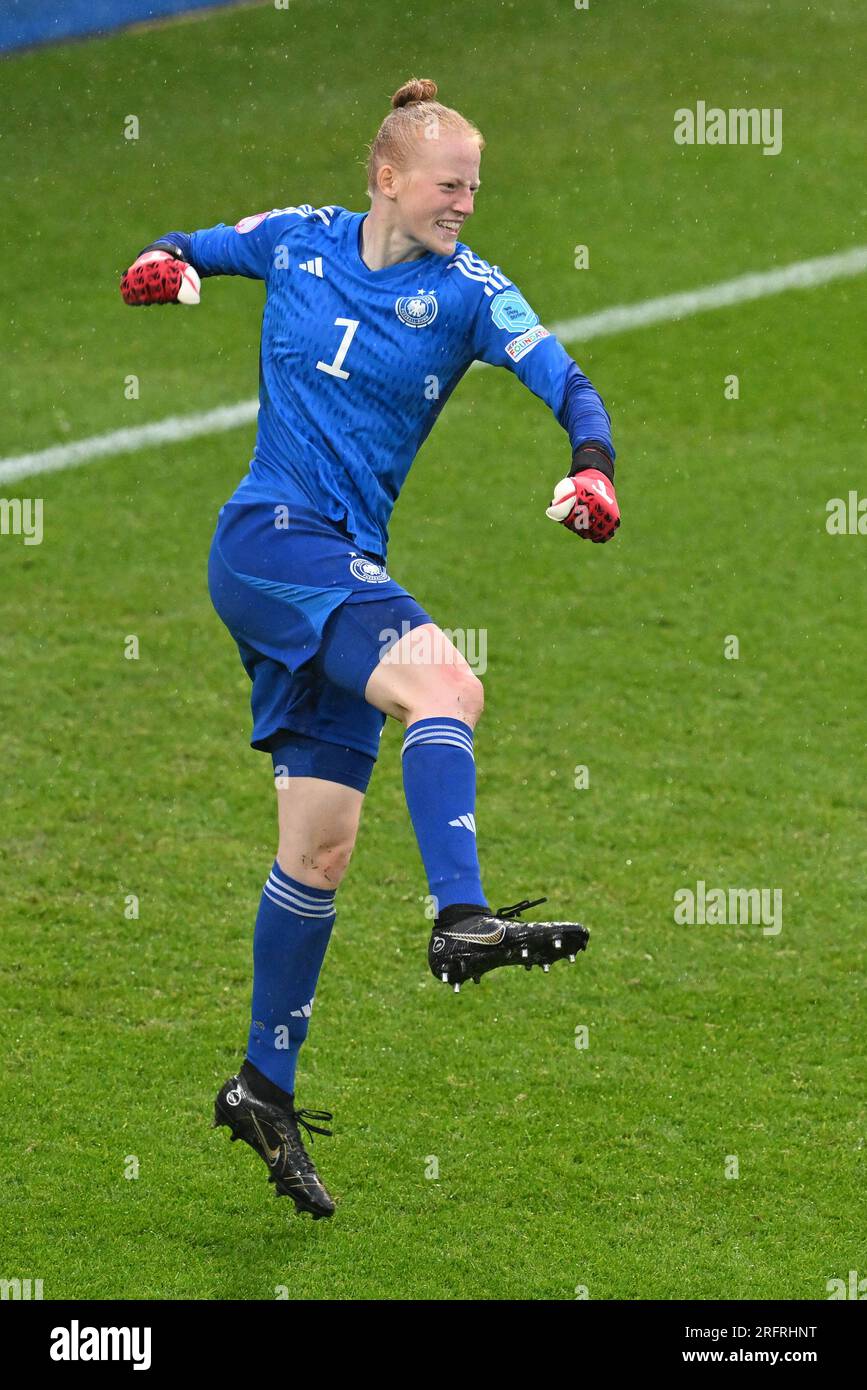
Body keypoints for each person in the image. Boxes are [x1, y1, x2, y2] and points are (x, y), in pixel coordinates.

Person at [120, 77, 620, 1221]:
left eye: (476, 191)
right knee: (447, 682)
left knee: (321, 852)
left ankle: (262, 1087)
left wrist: (591, 465)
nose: (466, 207)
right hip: (268, 543)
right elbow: (189, 243)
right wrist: (166, 266)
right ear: (387, 176)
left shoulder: (466, 295)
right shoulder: (299, 240)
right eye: (452, 187)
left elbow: (567, 377)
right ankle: (463, 918)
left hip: (337, 565)